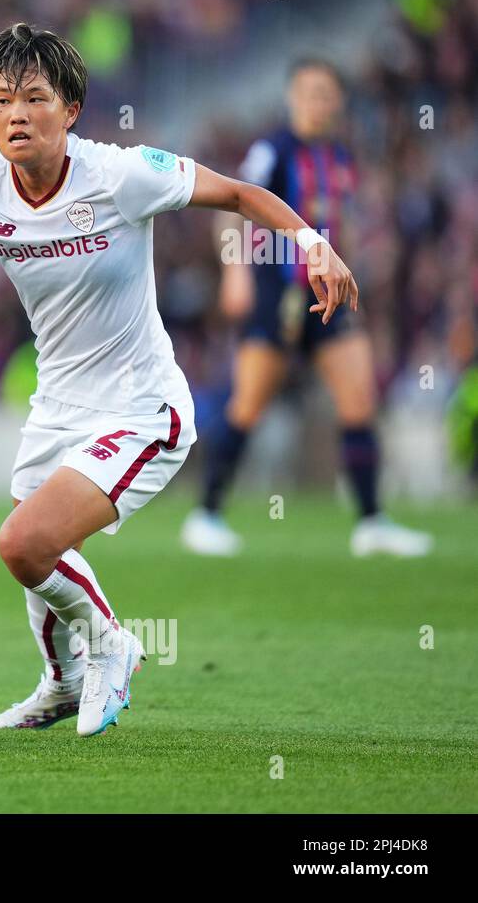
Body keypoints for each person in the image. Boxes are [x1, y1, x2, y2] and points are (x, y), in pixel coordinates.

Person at [0, 24, 357, 736]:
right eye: (2, 100)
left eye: (35, 98)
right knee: (40, 555)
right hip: (56, 408)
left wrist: (315, 245)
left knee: (22, 543)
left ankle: (113, 645)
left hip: (142, 408)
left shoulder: (122, 174)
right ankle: (62, 684)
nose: (17, 114)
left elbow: (243, 194)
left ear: (71, 111)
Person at [182, 58, 432, 558]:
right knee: (248, 404)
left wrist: (354, 266)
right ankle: (206, 514)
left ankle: (370, 520)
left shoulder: (341, 157)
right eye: (309, 92)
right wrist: (235, 272)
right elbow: (232, 208)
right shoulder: (272, 150)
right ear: (293, 97)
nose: (318, 102)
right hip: (279, 293)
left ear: (337, 101)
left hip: (330, 297)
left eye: (326, 93)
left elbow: (343, 224)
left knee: (359, 398)